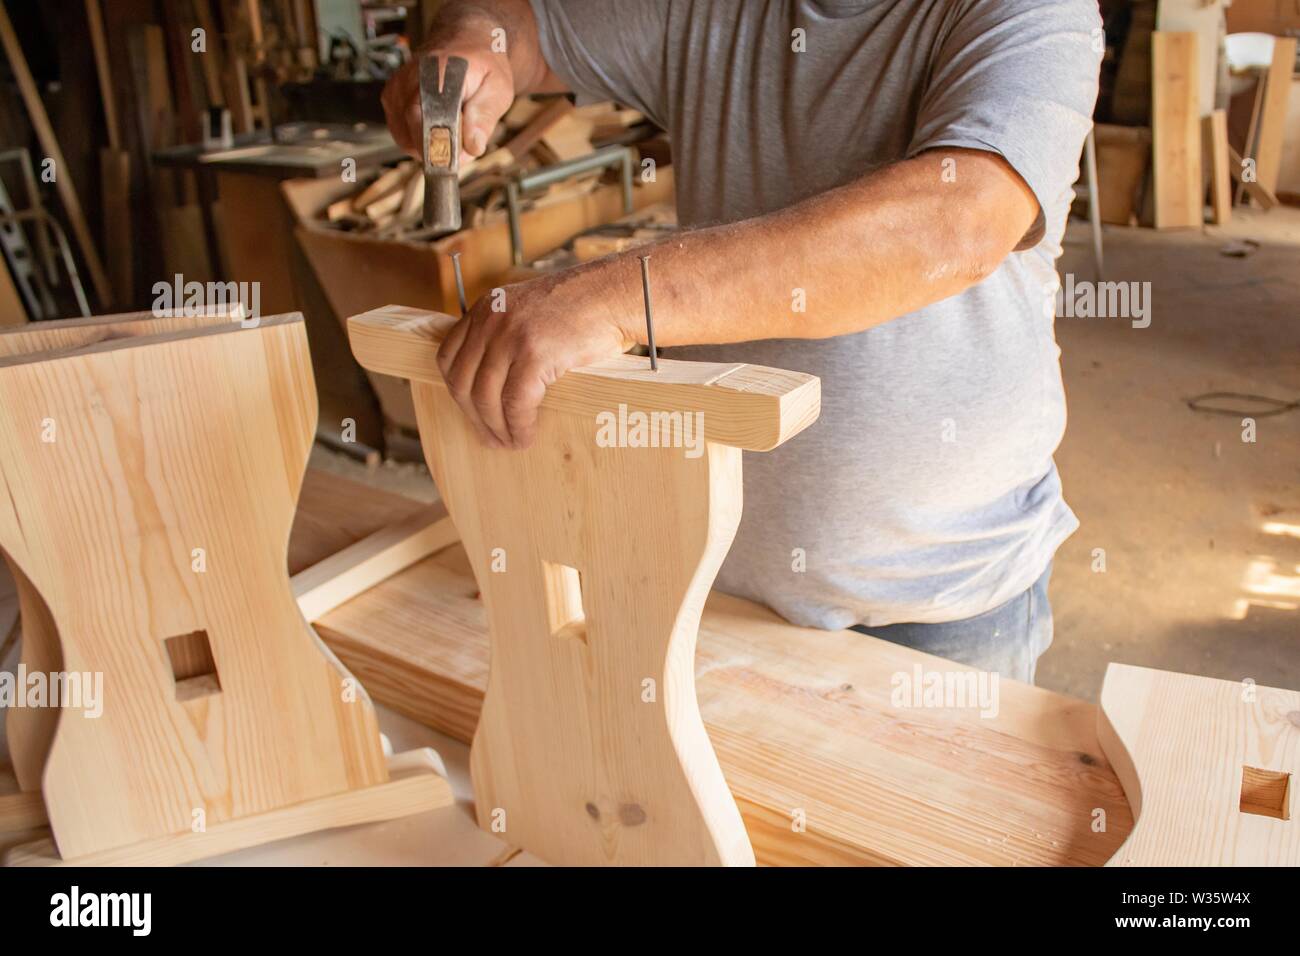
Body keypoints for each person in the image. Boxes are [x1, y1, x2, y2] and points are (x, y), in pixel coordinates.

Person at [382, 0, 1102, 682]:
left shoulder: (1032, 11)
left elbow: (958, 221)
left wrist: (612, 297)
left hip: (941, 604)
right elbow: (524, 22)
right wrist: (478, 43)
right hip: (706, 578)